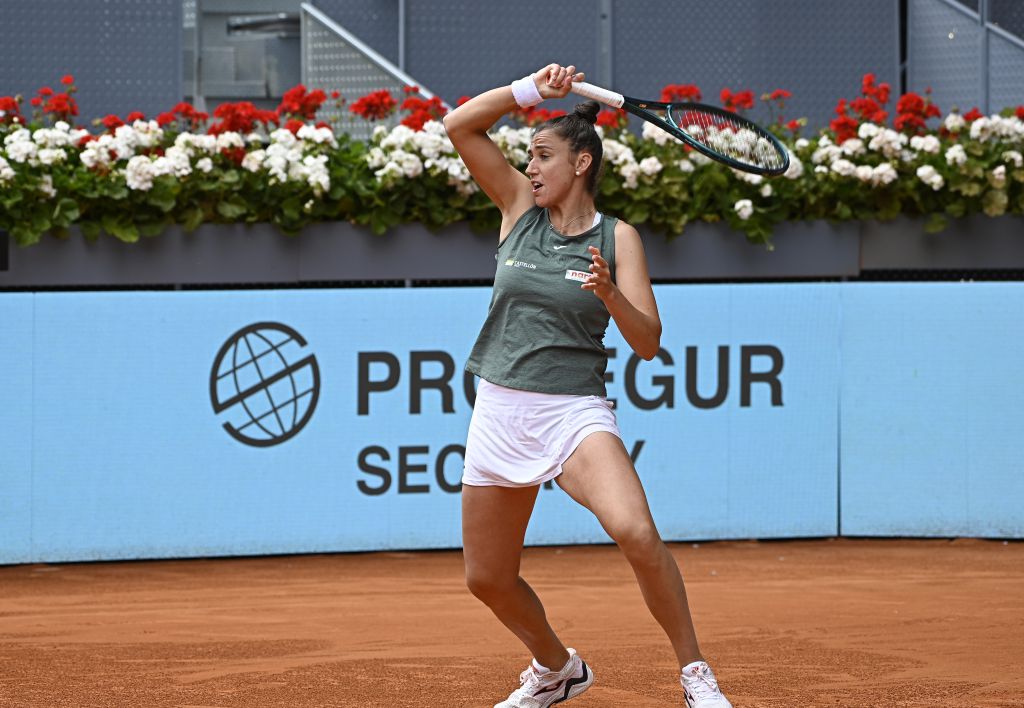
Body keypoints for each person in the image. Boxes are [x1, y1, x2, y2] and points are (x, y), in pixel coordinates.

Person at [443, 63, 733, 708]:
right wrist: (529, 91)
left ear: (581, 163)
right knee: (487, 578)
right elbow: (459, 125)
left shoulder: (618, 238)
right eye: (528, 157)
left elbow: (648, 341)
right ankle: (556, 668)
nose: (531, 166)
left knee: (636, 532)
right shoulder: (518, 209)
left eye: (542, 156)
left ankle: (695, 674)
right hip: (499, 409)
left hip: (573, 413)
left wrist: (608, 292)